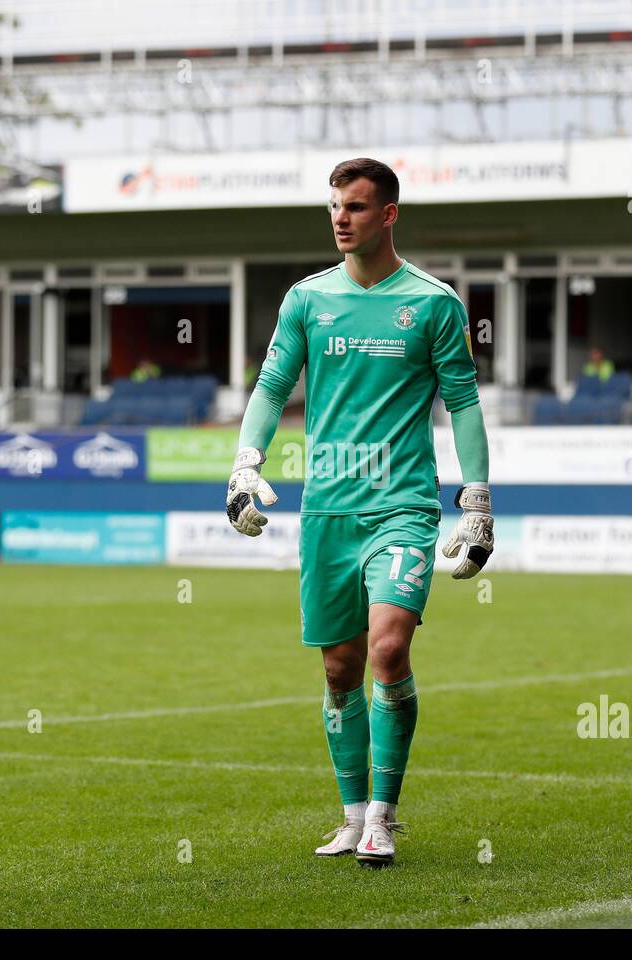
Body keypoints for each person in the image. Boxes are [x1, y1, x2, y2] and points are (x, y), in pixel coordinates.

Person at [226, 157, 493, 867]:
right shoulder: (307, 301)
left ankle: (383, 814)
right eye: (335, 207)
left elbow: (462, 402)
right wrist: (245, 464)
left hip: (402, 506)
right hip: (328, 512)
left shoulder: (434, 303)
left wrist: (478, 501)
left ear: (389, 214)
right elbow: (272, 382)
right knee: (340, 669)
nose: (342, 218)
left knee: (388, 648)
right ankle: (349, 815)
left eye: (357, 207)